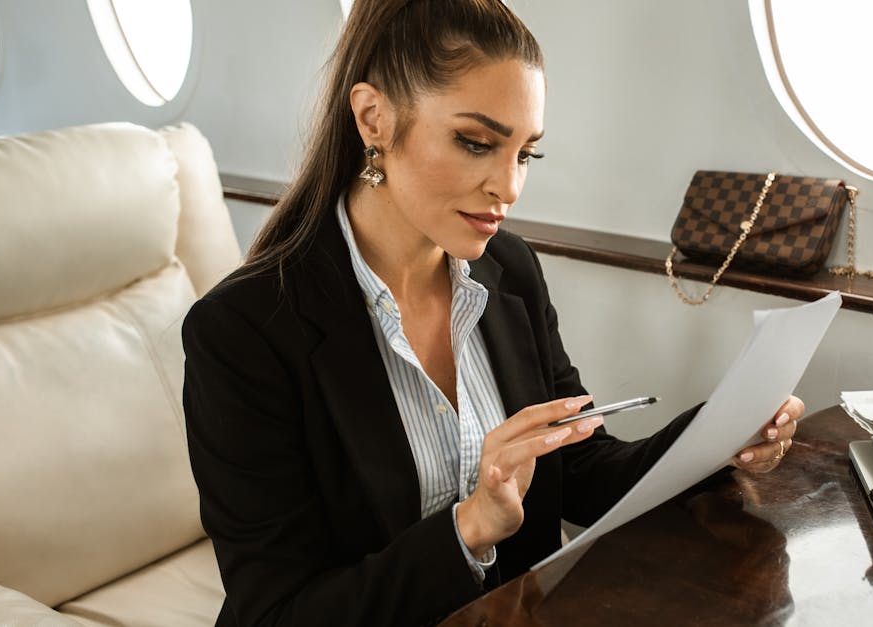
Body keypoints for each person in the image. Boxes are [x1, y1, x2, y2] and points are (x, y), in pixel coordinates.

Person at [182, 0, 804, 624]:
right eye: (476, 143)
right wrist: (468, 528)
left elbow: (580, 466)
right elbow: (275, 615)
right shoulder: (242, 333)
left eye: (525, 154)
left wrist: (720, 434)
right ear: (373, 119)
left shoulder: (508, 271)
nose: (508, 187)